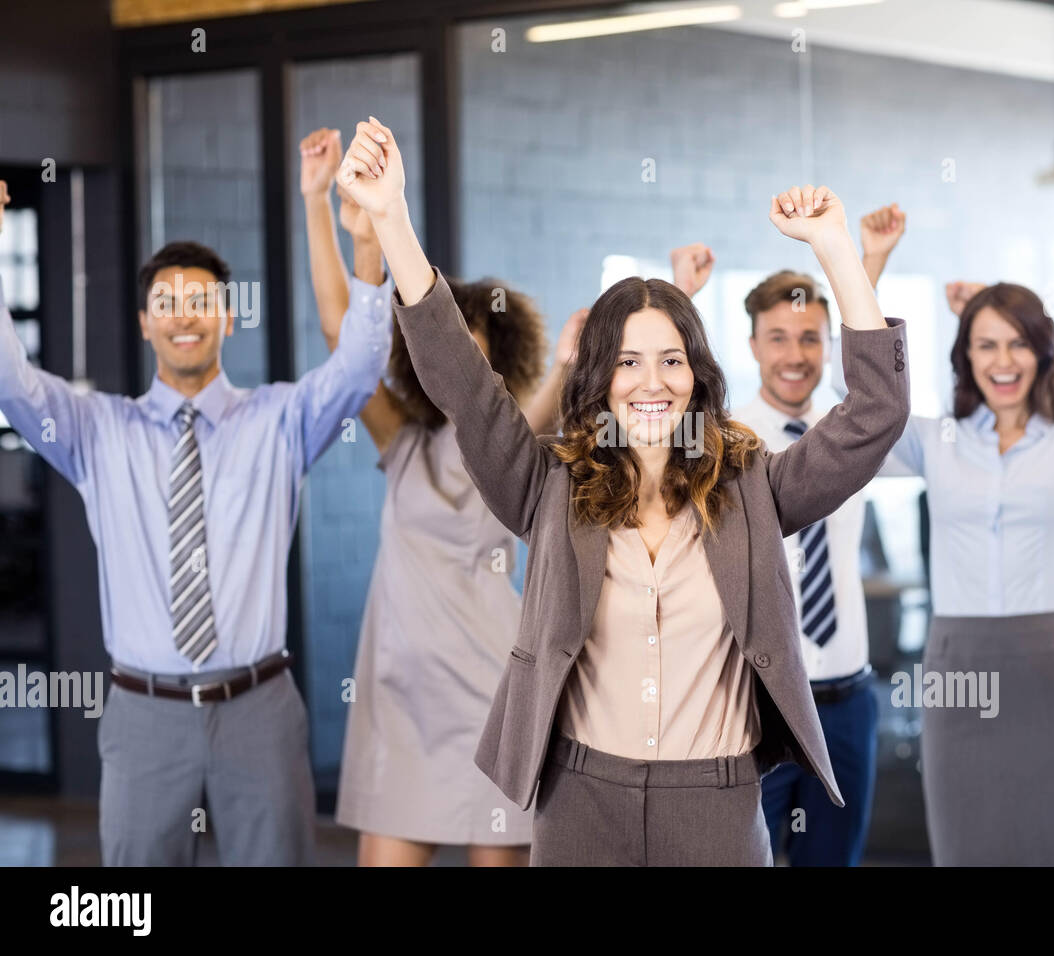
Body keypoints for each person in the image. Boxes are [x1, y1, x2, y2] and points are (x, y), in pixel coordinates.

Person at [334, 116, 910, 866]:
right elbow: (468, 390)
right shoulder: (549, 491)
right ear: (599, 377)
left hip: (717, 805)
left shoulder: (754, 490)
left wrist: (837, 248)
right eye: (629, 361)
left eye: (672, 361)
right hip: (580, 803)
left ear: (697, 376)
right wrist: (391, 221)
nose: (651, 382)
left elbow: (877, 413)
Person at [0, 175, 392, 865]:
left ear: (227, 316)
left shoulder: (281, 419)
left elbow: (360, 371)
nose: (184, 315)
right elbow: (12, 386)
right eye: (166, 303)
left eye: (200, 301)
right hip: (143, 715)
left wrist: (366, 243)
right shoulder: (97, 432)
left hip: (259, 712)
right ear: (146, 320)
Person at [298, 128, 580, 866]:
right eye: (441, 341)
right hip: (402, 701)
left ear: (496, 354)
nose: (453, 357)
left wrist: (575, 358)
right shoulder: (401, 443)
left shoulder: (515, 441)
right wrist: (322, 206)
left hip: (494, 695)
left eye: (470, 342)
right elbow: (342, 333)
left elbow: (547, 396)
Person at [856, 202, 1054, 865]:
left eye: (1019, 342)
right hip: (955, 658)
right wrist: (870, 268)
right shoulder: (935, 442)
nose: (1004, 360)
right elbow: (860, 405)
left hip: (1047, 658)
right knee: (966, 843)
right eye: (986, 343)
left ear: (1042, 352)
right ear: (965, 356)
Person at [670, 245, 880, 867]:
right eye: (779, 338)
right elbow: (669, 395)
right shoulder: (719, 441)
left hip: (846, 704)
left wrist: (867, 263)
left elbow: (880, 382)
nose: (795, 355)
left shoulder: (852, 437)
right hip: (754, 705)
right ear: (754, 345)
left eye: (811, 338)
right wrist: (683, 290)